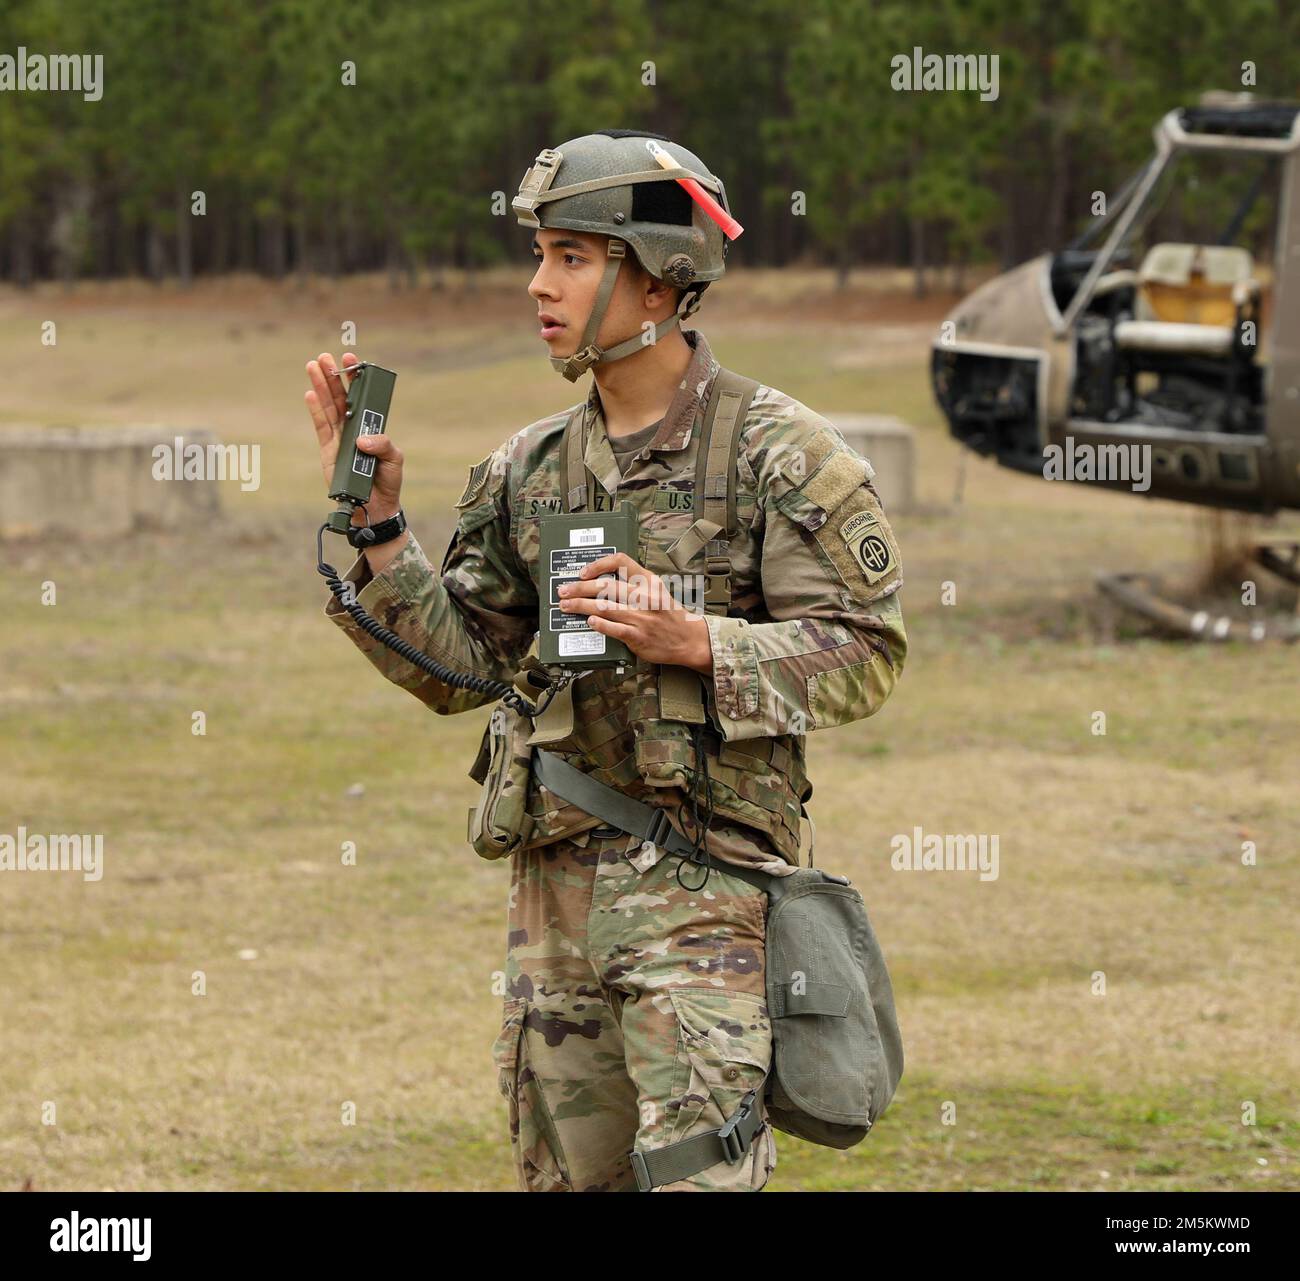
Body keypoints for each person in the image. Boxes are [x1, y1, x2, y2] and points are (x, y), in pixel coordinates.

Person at [304, 129, 907, 1192]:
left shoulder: (780, 454)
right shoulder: (527, 468)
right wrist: (383, 535)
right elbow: (462, 671)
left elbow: (865, 652)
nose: (539, 285)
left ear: (660, 283)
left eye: (574, 258)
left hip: (707, 895)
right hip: (556, 902)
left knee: (696, 1176)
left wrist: (698, 642)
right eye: (539, 254)